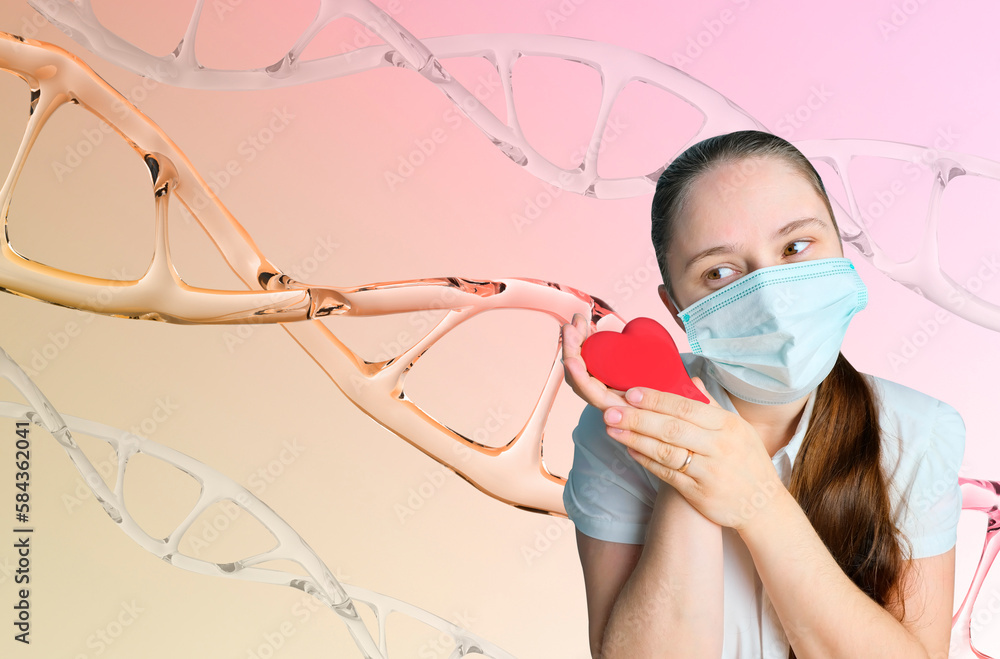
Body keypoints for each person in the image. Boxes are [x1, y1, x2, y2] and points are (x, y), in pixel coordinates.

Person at [559, 130, 965, 659]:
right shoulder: (618, 429)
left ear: (841, 248)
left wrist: (758, 500)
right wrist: (689, 430)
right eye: (720, 272)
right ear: (677, 308)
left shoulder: (919, 433)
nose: (772, 297)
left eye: (796, 247)